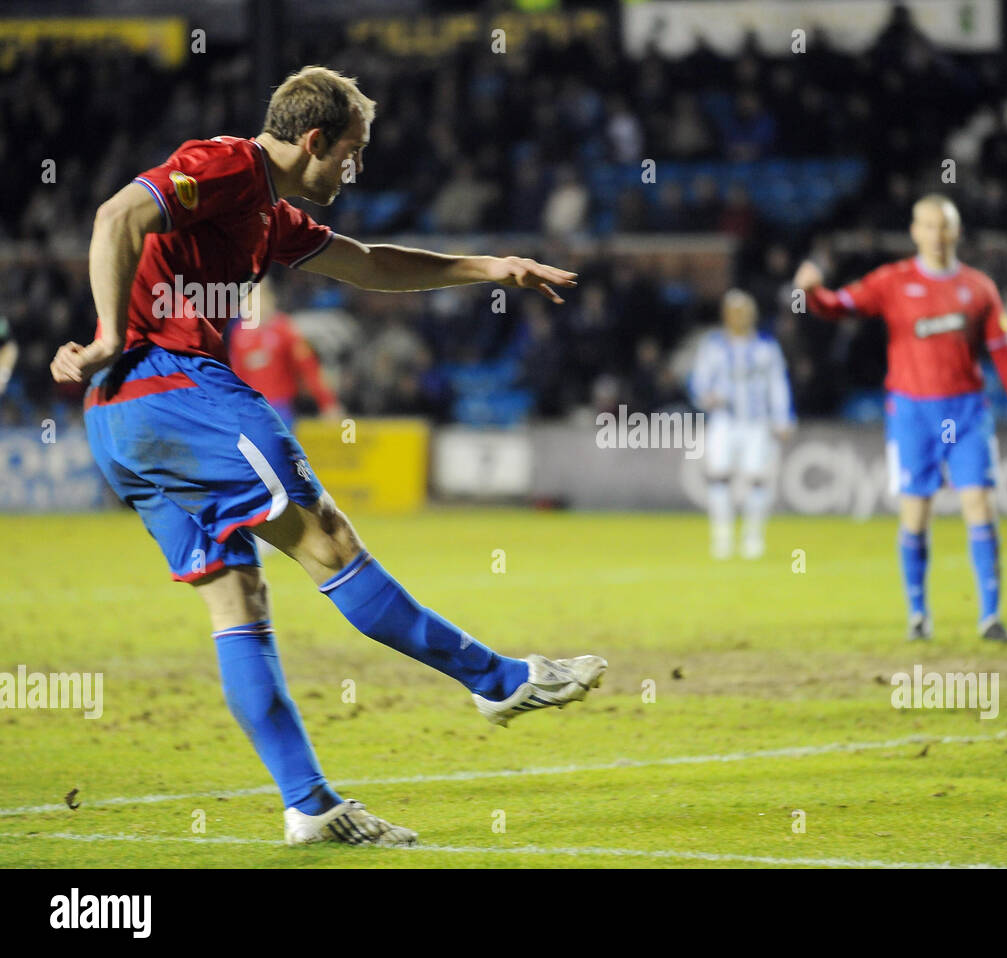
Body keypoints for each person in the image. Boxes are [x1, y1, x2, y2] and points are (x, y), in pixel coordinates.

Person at [49, 66, 605, 848]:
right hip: (175, 391)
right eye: (352, 151)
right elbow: (116, 216)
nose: (356, 167)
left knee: (238, 602)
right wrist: (108, 335)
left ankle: (308, 805)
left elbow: (371, 263)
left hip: (120, 426)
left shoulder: (268, 216)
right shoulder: (228, 165)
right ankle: (498, 680)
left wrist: (490, 267)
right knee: (330, 542)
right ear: (313, 141)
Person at [794, 194, 1007, 641]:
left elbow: (1003, 352)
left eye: (944, 225)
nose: (936, 234)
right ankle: (918, 615)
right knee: (915, 512)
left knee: (979, 505)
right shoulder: (892, 281)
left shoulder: (979, 288)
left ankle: (989, 616)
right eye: (927, 225)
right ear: (914, 231)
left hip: (967, 410)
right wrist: (811, 293)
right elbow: (839, 306)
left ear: (956, 231)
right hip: (911, 413)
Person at [689, 289, 794, 560]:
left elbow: (778, 385)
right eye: (734, 312)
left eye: (744, 311)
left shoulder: (766, 347)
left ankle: (753, 537)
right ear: (726, 315)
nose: (739, 317)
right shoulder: (713, 345)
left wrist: (783, 418)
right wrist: (705, 397)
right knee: (719, 477)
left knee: (757, 480)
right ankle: (722, 538)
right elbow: (699, 381)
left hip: (757, 422)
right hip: (724, 420)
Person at [228, 278, 341, 429]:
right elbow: (236, 376)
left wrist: (327, 403)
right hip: (249, 410)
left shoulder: (285, 329)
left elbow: (308, 368)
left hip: (279, 409)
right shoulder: (239, 334)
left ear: (269, 297)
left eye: (257, 296)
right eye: (246, 297)